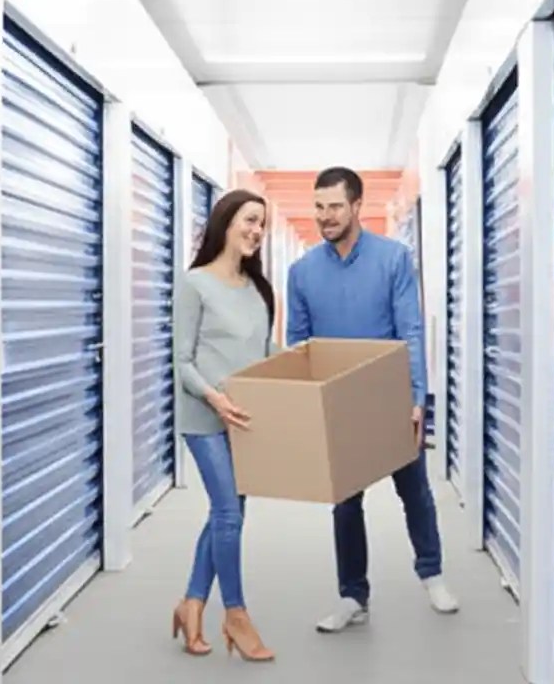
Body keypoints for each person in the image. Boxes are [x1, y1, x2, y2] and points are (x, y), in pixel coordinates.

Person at [285, 166, 460, 634]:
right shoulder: (301, 272)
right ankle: (352, 596)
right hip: (337, 406)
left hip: (389, 398)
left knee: (415, 492)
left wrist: (417, 398)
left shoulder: (394, 259)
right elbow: (297, 346)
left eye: (335, 206)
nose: (325, 216)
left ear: (357, 206)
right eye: (319, 206)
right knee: (344, 505)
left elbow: (410, 331)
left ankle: (432, 574)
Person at [171, 188, 277, 662]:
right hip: (205, 416)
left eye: (262, 224)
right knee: (229, 515)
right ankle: (235, 614)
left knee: (224, 514)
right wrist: (215, 397)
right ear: (227, 221)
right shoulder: (194, 283)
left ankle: (191, 604)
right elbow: (183, 360)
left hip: (247, 417)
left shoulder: (258, 289)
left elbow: (263, 354)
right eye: (250, 220)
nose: (257, 230)